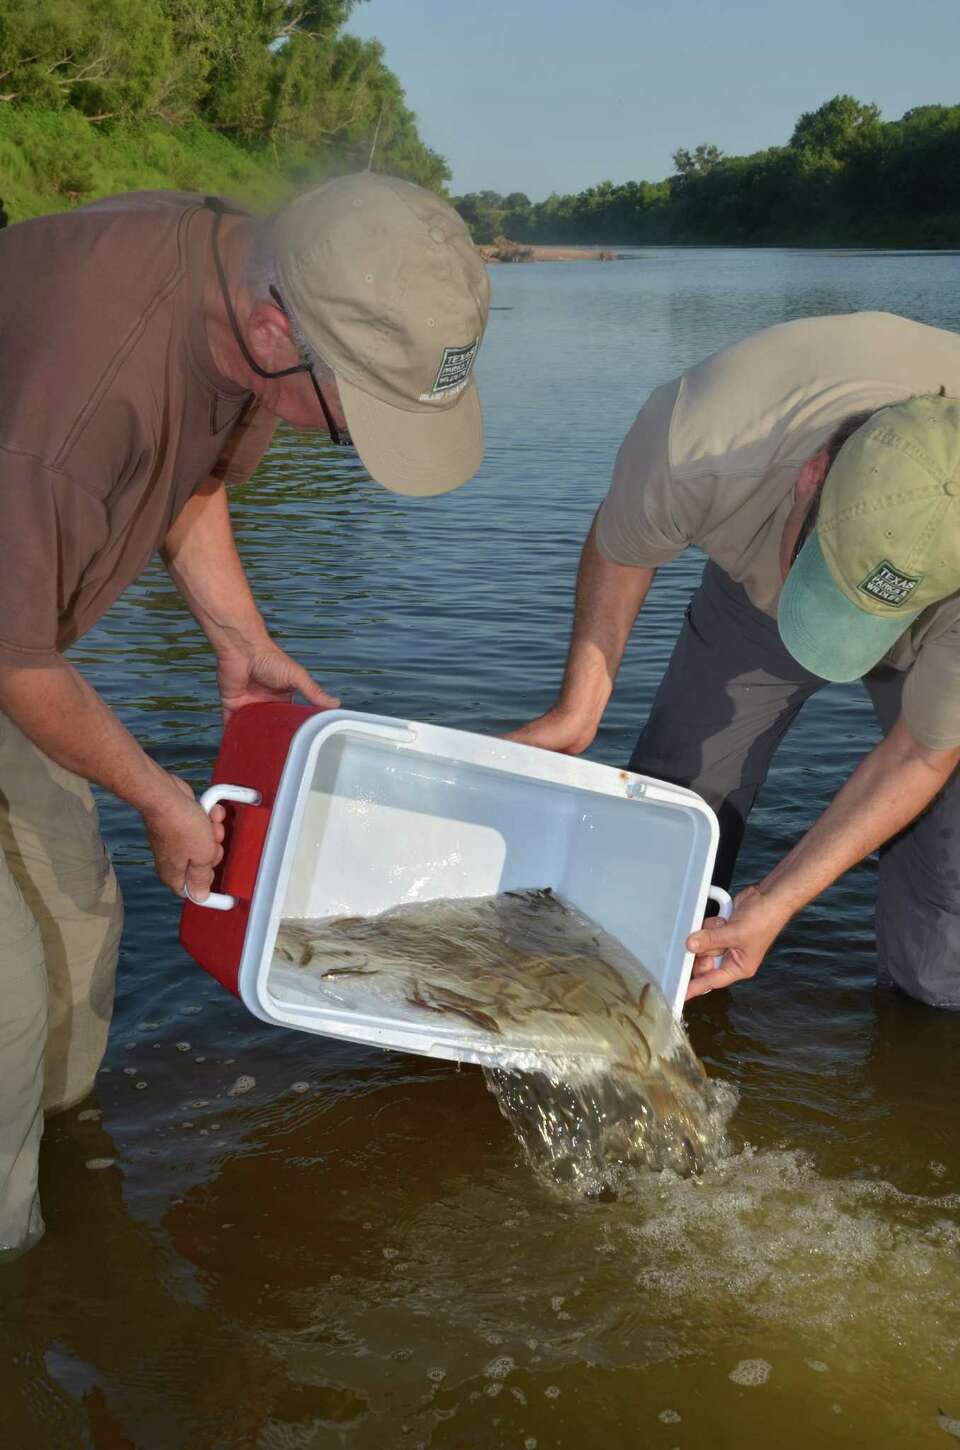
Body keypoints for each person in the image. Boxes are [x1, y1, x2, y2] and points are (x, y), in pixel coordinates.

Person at [0, 172, 490, 1258]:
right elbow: (20, 660)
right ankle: (19, 1275)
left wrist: (240, 642)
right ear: (276, 328)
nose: (359, 445)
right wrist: (160, 796)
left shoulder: (249, 307)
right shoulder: (85, 385)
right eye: (357, 414)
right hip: (13, 640)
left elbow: (192, 482)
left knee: (80, 924)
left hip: (14, 621)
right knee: (5, 1010)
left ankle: (62, 1186)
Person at [511, 312, 960, 1010]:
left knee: (950, 871)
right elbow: (625, 545)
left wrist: (777, 901)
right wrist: (581, 705)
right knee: (675, 807)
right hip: (752, 593)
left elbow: (921, 756)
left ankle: (918, 1026)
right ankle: (640, 983)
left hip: (941, 619)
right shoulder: (700, 439)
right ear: (813, 476)